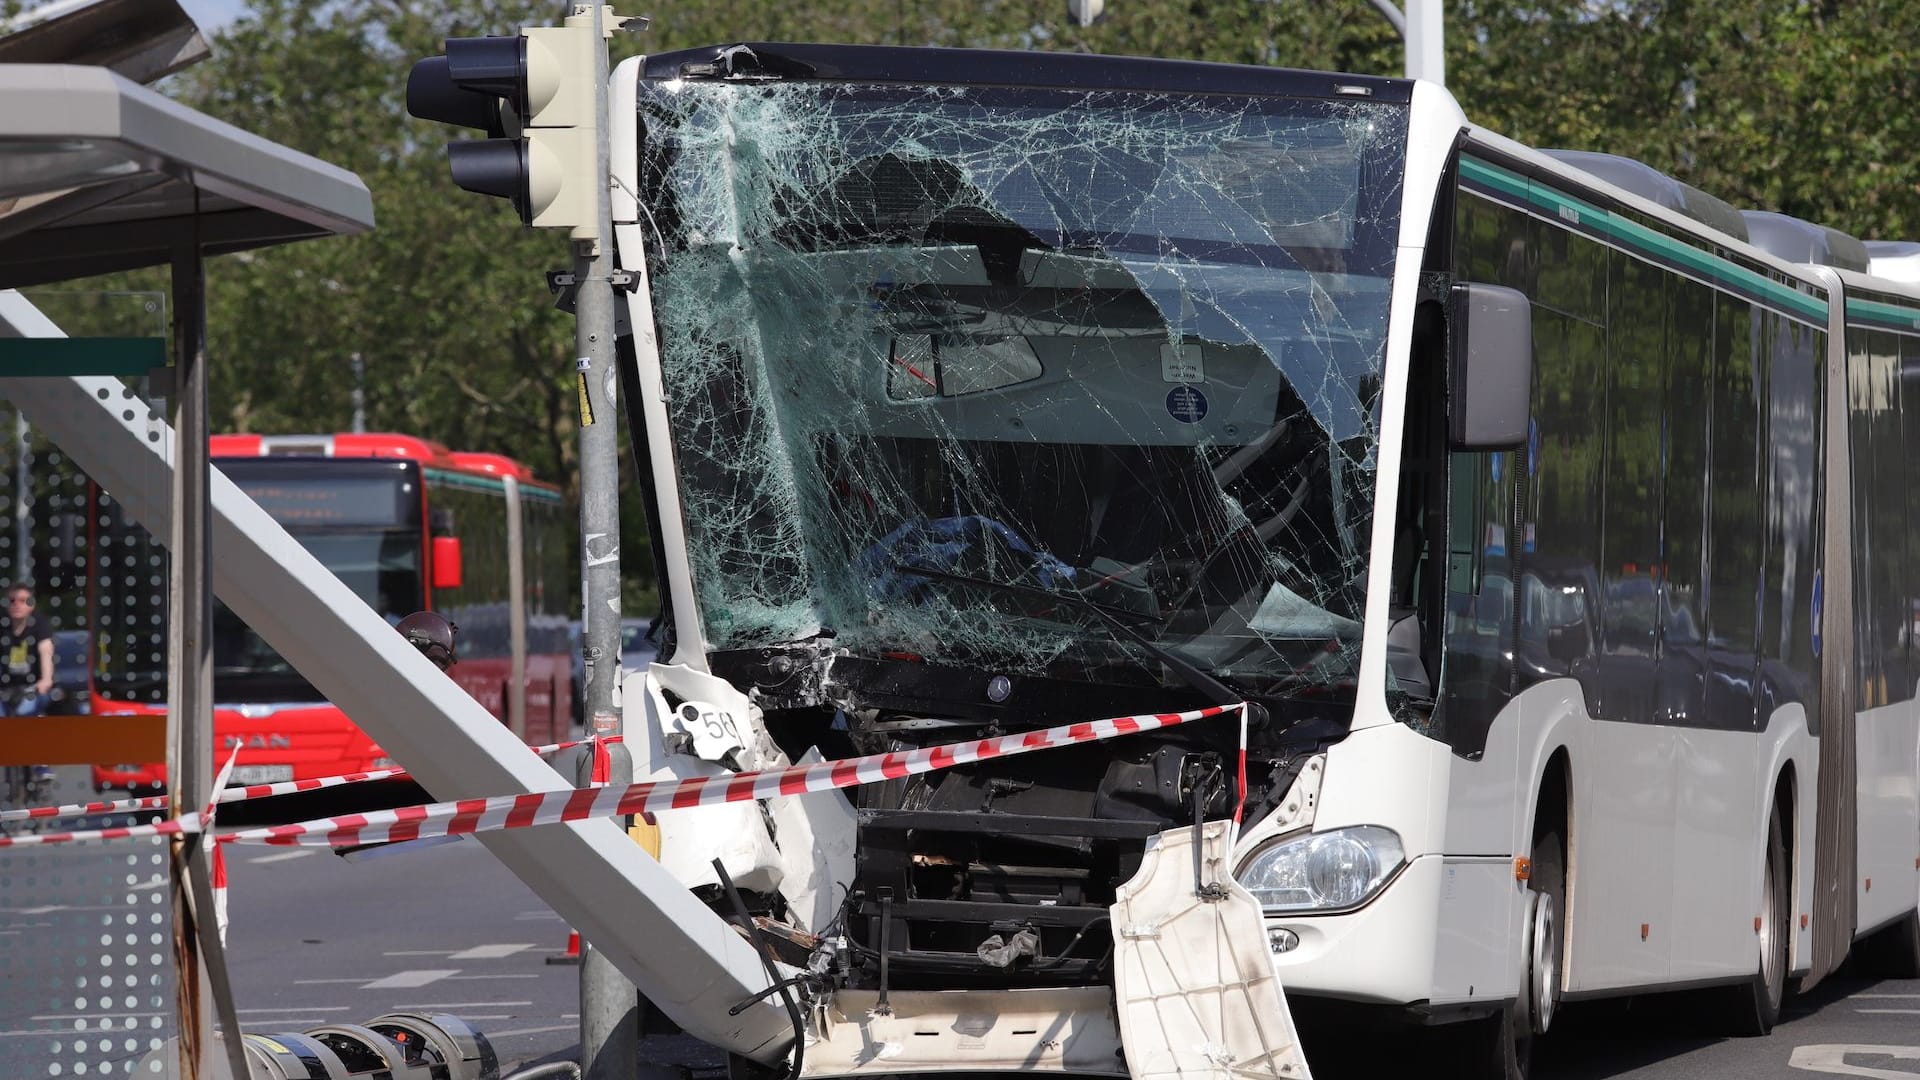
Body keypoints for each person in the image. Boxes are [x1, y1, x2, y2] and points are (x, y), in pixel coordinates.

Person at [0, 581, 56, 791]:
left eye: (23, 601)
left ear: (31, 605)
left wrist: (46, 680)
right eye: (12, 601)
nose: (17, 605)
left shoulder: (39, 624)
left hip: (33, 688)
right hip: (6, 689)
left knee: (32, 716)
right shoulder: (2, 626)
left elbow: (46, 651)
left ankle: (40, 764)